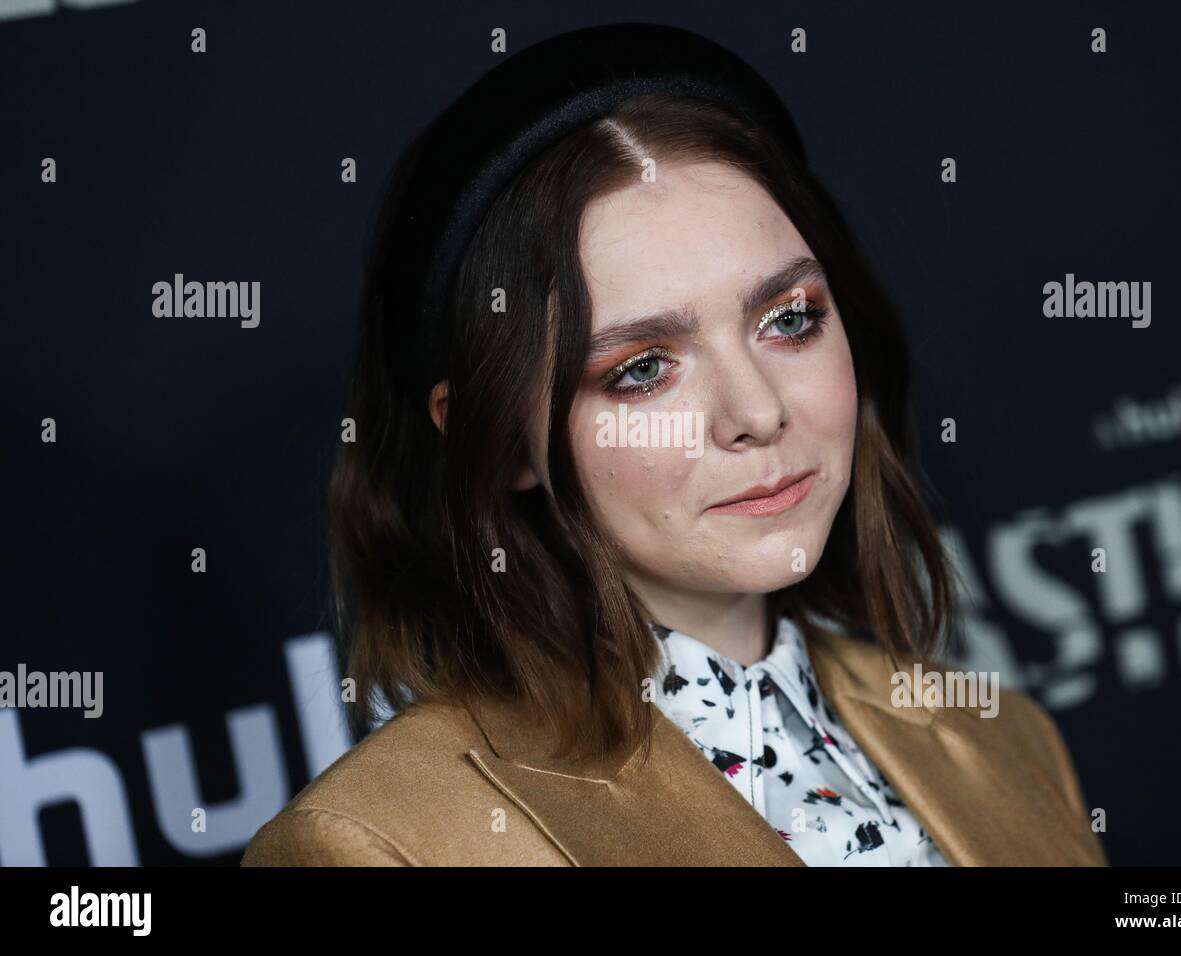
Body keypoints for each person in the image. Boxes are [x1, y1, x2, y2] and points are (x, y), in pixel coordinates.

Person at [241, 23, 1107, 867]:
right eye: (644, 368)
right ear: (494, 438)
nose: (756, 413)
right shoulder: (379, 846)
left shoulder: (1004, 740)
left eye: (790, 319)